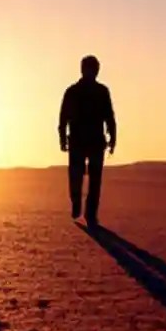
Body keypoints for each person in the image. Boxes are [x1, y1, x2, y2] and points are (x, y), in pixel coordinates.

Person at [59, 55, 116, 226]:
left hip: (94, 141)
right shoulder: (73, 91)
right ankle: (78, 205)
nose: (93, 72)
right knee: (77, 176)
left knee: (94, 179)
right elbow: (63, 117)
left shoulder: (101, 91)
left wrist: (113, 137)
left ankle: (90, 213)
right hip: (79, 141)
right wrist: (62, 137)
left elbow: (109, 116)